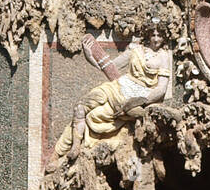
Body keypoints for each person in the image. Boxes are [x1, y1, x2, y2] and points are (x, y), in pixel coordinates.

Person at [53, 28, 173, 159]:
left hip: (135, 97)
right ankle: (69, 149)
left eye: (159, 35)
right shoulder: (135, 50)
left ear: (164, 37)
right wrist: (90, 57)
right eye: (153, 35)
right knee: (81, 107)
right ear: (148, 36)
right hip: (118, 86)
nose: (156, 39)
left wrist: (138, 102)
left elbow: (161, 89)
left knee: (94, 115)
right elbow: (110, 67)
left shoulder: (164, 57)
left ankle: (77, 147)